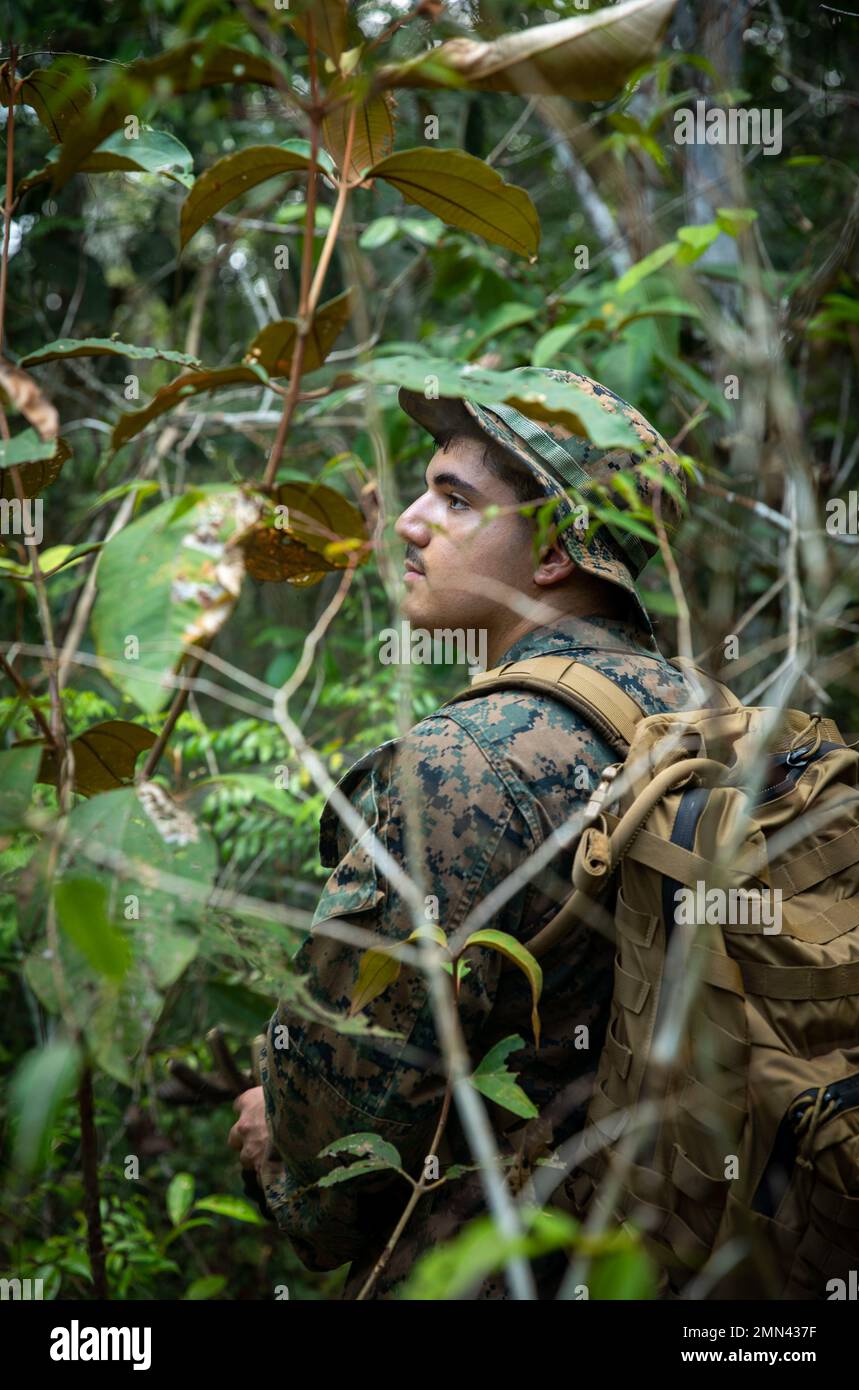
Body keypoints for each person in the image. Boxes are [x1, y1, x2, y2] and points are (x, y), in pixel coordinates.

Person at [228, 368, 694, 1298]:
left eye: (454, 499)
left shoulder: (458, 764)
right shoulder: (706, 717)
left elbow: (334, 1180)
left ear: (555, 549)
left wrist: (273, 1132)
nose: (408, 522)